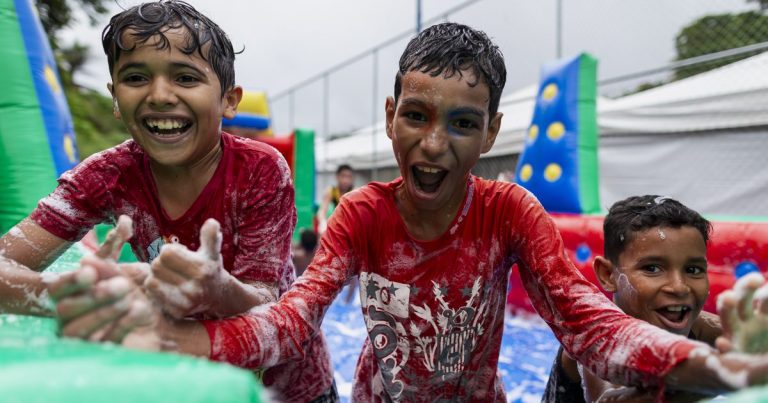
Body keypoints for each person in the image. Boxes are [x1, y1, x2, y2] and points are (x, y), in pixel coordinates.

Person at [50, 22, 768, 401]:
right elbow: (296, 318)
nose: (432, 145)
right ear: (391, 115)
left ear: (490, 134)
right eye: (416, 115)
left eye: (461, 124)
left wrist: (719, 363)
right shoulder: (363, 212)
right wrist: (176, 342)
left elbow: (586, 321)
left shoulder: (509, 211)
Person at [0, 1, 334, 401]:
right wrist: (70, 293)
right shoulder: (106, 176)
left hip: (292, 386)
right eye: (136, 77)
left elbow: (264, 300)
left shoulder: (259, 170)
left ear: (229, 101)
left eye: (186, 78)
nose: (159, 95)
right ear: (115, 97)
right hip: (184, 381)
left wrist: (219, 290)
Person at [543, 195, 722, 402]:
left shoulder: (700, 327)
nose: (679, 287)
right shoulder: (596, 340)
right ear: (608, 275)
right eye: (652, 268)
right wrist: (731, 376)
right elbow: (610, 397)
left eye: (692, 270)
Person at [316, 164, 354, 235]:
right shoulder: (331, 191)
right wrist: (322, 222)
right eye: (343, 176)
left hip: (350, 226)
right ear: (337, 177)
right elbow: (322, 210)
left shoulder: (355, 192)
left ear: (352, 179)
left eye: (348, 177)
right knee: (322, 229)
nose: (345, 180)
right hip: (337, 225)